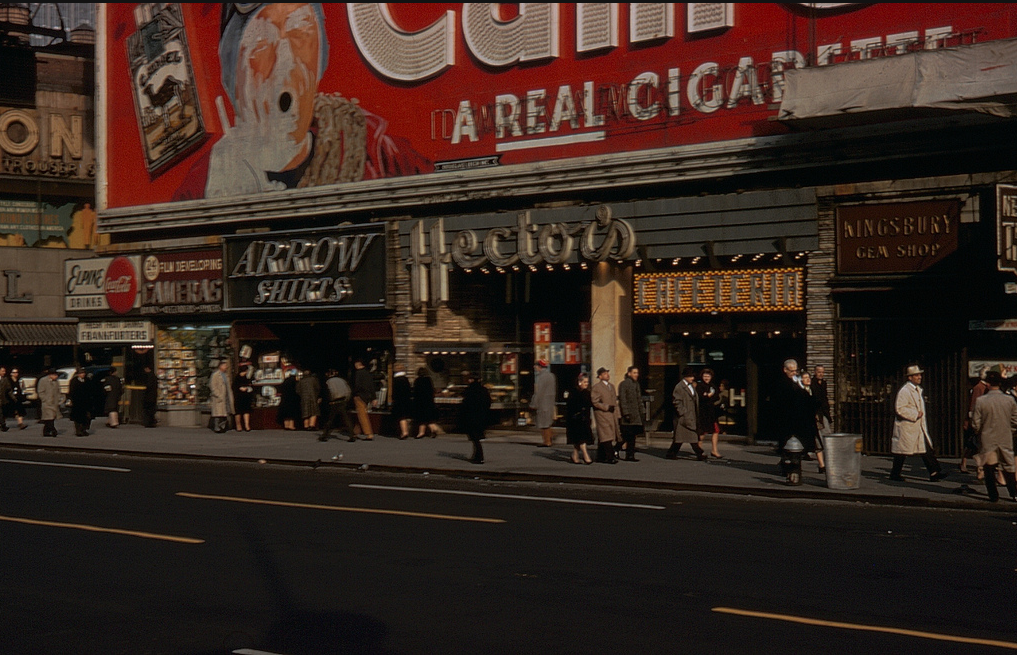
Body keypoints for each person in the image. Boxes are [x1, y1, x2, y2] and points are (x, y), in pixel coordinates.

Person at [175, 3, 431, 201]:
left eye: (300, 35)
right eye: (263, 44)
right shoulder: (205, 183)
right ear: (234, 78)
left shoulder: (376, 154)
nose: (287, 61)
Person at [889, 364, 947, 482]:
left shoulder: (918, 390)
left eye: (920, 374)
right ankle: (895, 473)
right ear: (910, 377)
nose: (919, 377)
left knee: (925, 449)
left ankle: (934, 472)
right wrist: (915, 414)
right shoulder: (905, 391)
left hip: (917, 427)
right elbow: (899, 408)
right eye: (916, 375)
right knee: (902, 452)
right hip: (908, 426)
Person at [970, 370, 1017, 502]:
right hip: (1005, 437)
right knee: (1008, 466)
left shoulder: (981, 401)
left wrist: (980, 431)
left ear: (988, 383)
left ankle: (993, 495)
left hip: (987, 438)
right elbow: (1015, 420)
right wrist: (1010, 430)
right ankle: (1014, 493)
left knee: (989, 467)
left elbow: (976, 422)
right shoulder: (1009, 400)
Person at [773, 358, 824, 474]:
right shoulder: (783, 384)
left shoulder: (795, 382)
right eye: (791, 371)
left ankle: (788, 465)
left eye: (795, 371)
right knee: (789, 445)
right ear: (785, 370)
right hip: (788, 420)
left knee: (793, 445)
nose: (794, 373)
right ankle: (787, 467)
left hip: (796, 419)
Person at [668, 366, 707, 461]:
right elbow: (677, 401)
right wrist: (683, 412)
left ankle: (672, 453)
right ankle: (699, 453)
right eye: (690, 376)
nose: (692, 378)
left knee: (682, 438)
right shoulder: (679, 387)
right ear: (685, 376)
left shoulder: (691, 386)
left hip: (691, 415)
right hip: (684, 417)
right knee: (687, 437)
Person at [458, 371, 492, 464]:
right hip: (482, 416)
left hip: (471, 416)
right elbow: (488, 402)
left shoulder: (469, 390)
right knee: (477, 437)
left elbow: (465, 404)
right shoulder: (483, 390)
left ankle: (479, 456)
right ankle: (476, 455)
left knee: (475, 438)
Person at [961, 372, 990, 476]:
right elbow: (974, 404)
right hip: (975, 420)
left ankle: (976, 466)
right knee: (972, 443)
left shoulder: (985, 387)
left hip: (978, 419)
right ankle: (969, 465)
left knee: (972, 444)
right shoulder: (979, 387)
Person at [590, 367, 620, 464]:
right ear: (600, 376)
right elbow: (595, 401)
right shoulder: (597, 387)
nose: (607, 375)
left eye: (607, 373)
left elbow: (614, 401)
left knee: (605, 436)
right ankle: (610, 456)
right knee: (606, 436)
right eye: (604, 373)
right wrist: (606, 407)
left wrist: (617, 413)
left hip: (612, 414)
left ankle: (600, 456)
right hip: (602, 414)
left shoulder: (611, 386)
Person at [565, 373, 594, 465]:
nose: (586, 384)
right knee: (581, 439)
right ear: (579, 382)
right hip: (575, 420)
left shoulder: (587, 393)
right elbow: (570, 407)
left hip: (584, 419)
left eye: (587, 382)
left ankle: (575, 455)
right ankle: (586, 456)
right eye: (584, 382)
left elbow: (589, 405)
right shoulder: (573, 392)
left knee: (579, 440)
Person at [320, 369, 354, 441]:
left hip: (335, 401)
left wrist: (330, 400)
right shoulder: (342, 380)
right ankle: (352, 435)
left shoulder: (329, 382)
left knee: (330, 419)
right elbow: (348, 390)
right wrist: (347, 399)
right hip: (343, 400)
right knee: (346, 418)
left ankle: (325, 435)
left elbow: (330, 391)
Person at [617, 366, 643, 462]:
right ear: (629, 373)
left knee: (632, 436)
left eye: (637, 373)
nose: (636, 375)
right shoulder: (624, 384)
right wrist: (626, 413)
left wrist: (642, 411)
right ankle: (619, 450)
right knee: (627, 435)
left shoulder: (636, 384)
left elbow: (639, 399)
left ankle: (630, 455)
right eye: (634, 373)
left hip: (636, 414)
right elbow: (622, 399)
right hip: (628, 415)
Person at [697, 367, 722, 459]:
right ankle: (699, 451)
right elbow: (701, 398)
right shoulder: (700, 386)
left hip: (712, 413)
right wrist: (708, 396)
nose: (706, 377)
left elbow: (716, 397)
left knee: (716, 430)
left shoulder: (713, 386)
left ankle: (714, 450)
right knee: (702, 433)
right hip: (703, 413)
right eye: (705, 376)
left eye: (708, 376)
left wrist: (708, 396)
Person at [531, 359, 557, 447]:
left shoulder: (542, 377)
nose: (535, 367)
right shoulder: (551, 376)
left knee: (543, 423)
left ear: (539, 367)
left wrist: (534, 403)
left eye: (536, 366)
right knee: (548, 422)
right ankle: (550, 437)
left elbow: (539, 392)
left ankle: (547, 441)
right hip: (550, 402)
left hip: (543, 403)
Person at [352, 358, 377, 441]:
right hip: (367, 396)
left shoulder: (358, 373)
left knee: (362, 415)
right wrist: (374, 398)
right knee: (361, 413)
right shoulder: (368, 373)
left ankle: (369, 433)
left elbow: (357, 385)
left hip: (359, 395)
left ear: (358, 364)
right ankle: (355, 432)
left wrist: (354, 393)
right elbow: (372, 386)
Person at [413, 367, 440, 439]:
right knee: (429, 419)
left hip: (420, 402)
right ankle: (434, 429)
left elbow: (416, 392)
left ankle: (421, 433)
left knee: (421, 420)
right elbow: (432, 391)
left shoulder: (417, 381)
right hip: (429, 402)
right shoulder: (429, 380)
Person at [209, 361, 234, 433]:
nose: (226, 367)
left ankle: (223, 426)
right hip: (219, 397)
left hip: (226, 396)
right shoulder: (215, 375)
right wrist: (218, 395)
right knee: (218, 413)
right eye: (225, 366)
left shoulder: (226, 375)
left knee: (226, 412)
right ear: (221, 366)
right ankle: (217, 427)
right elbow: (213, 386)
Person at [391, 363, 413, 439]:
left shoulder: (397, 380)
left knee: (401, 417)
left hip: (399, 401)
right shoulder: (405, 379)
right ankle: (405, 431)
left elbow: (395, 392)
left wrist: (393, 399)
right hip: (406, 400)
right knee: (404, 417)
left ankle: (404, 432)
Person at [68, 368, 92, 437]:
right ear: (78, 374)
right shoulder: (74, 381)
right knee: (77, 417)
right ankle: (78, 430)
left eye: (84, 373)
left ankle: (84, 429)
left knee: (86, 417)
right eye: (81, 373)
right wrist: (71, 399)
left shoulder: (87, 380)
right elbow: (72, 391)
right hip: (77, 402)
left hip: (86, 402)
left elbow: (90, 390)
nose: (83, 374)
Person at [37, 368, 60, 437]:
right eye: (55, 375)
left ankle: (46, 431)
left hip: (54, 402)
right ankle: (53, 430)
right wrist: (44, 399)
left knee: (50, 418)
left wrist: (59, 399)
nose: (56, 376)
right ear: (50, 375)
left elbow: (58, 391)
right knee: (49, 417)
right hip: (47, 403)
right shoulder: (43, 380)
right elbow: (40, 391)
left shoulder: (56, 382)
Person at [233, 365, 255, 432]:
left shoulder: (246, 378)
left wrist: (248, 388)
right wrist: (240, 388)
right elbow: (234, 387)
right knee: (238, 412)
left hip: (246, 397)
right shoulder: (237, 378)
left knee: (246, 411)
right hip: (239, 396)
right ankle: (239, 426)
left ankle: (246, 426)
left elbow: (250, 386)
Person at [812, 365, 832, 435]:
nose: (821, 374)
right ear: (815, 372)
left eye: (822, 372)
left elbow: (824, 397)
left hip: (824, 410)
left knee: (826, 430)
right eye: (819, 372)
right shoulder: (812, 383)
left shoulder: (823, 383)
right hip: (816, 410)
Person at [0, 365, 11, 432]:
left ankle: (3, 424)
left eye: (4, 371)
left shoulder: (5, 379)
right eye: (2, 371)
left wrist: (13, 397)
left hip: (2, 399)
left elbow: (9, 389)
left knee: (2, 412)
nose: (4, 372)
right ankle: (3, 425)